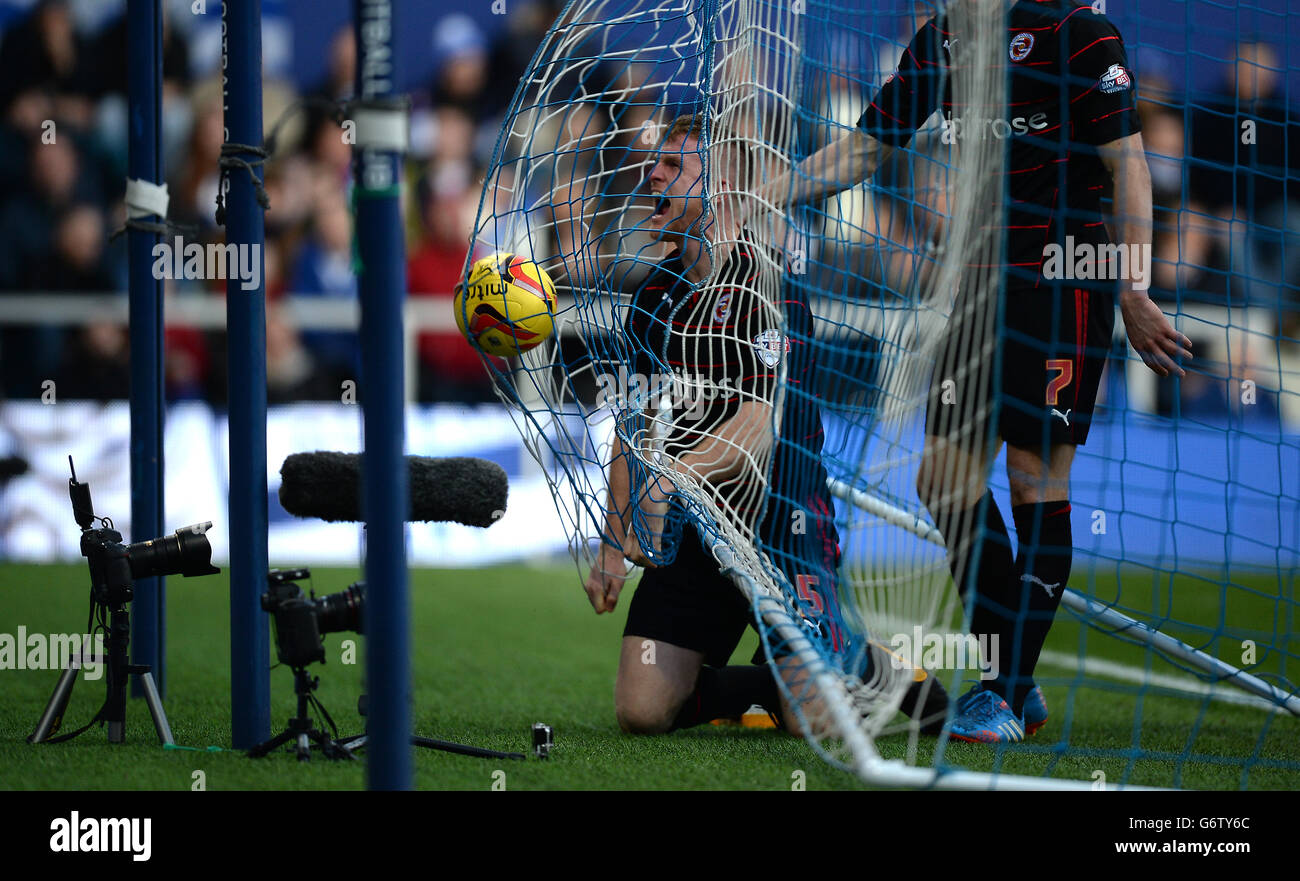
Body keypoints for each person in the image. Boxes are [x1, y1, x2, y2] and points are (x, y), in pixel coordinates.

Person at [760, 1, 1192, 742]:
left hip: (1062, 282)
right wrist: (758, 198)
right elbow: (865, 150)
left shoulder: (1076, 32)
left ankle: (1004, 686)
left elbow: (1129, 166)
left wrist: (1133, 288)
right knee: (943, 482)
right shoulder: (944, 39)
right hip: (975, 286)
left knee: (1033, 476)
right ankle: (1014, 677)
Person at [584, 113, 948, 734]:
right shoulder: (654, 296)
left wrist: (672, 477)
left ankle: (892, 678)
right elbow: (631, 420)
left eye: (673, 167)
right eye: (653, 165)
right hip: (697, 529)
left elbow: (758, 428)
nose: (652, 177)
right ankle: (761, 688)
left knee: (819, 724)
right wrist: (614, 545)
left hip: (782, 526)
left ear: (722, 188)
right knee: (640, 712)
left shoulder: (767, 285)